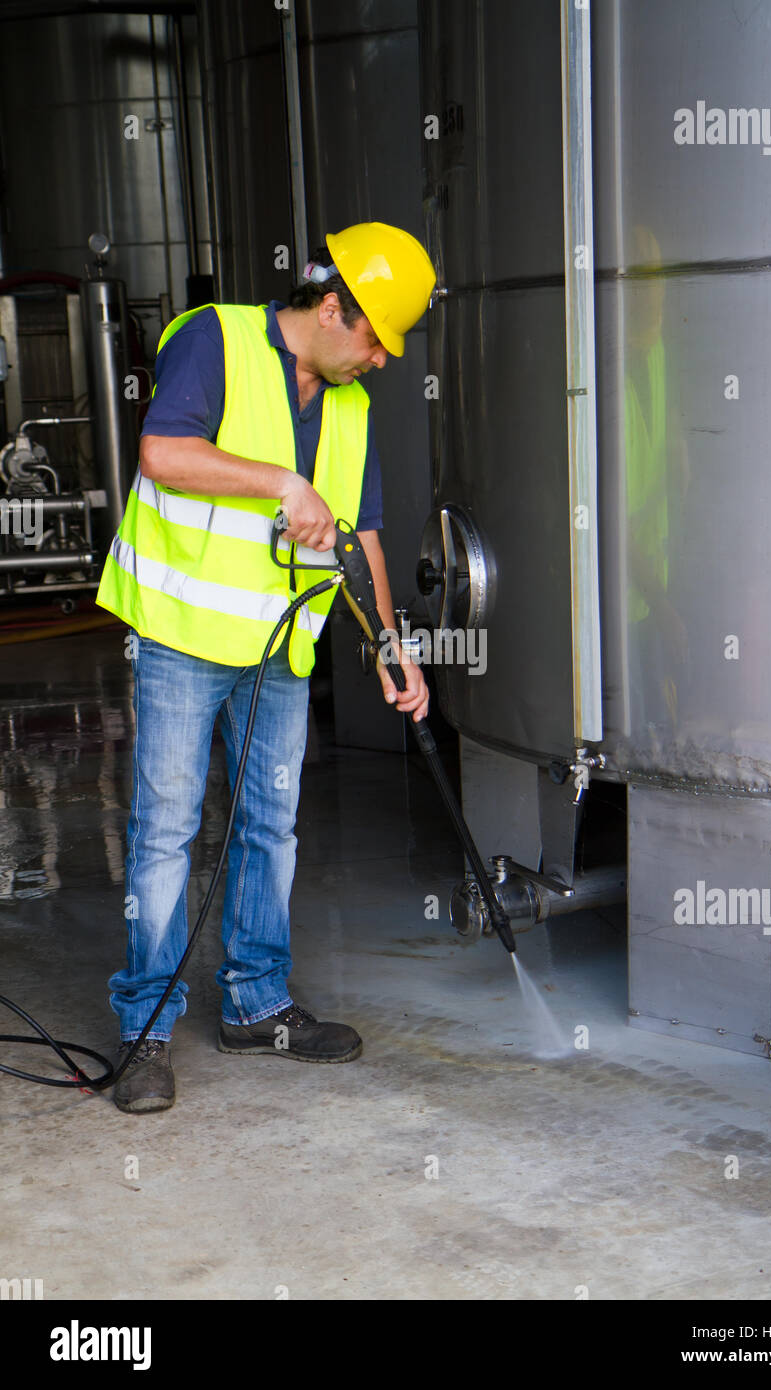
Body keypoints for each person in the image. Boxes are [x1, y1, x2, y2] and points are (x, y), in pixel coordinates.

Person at [96, 221, 434, 1113]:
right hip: (180, 636)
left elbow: (360, 536)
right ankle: (145, 1032)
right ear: (331, 308)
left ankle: (257, 1004)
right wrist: (284, 483)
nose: (382, 360)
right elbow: (164, 454)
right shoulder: (214, 338)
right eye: (374, 337)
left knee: (269, 827)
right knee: (167, 829)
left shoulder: (353, 405)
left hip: (279, 648)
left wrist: (390, 646)